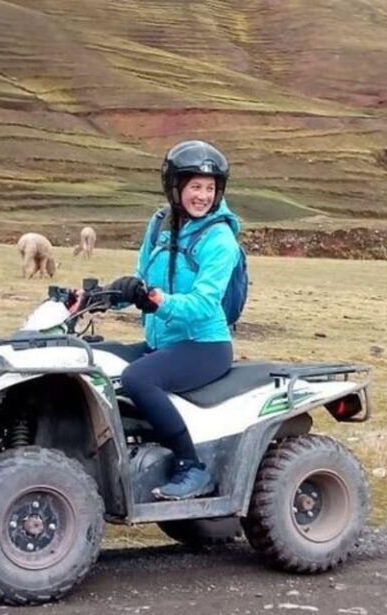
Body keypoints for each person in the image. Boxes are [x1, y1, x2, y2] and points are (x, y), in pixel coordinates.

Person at [107, 140, 242, 500]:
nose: (203, 196)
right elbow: (142, 279)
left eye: (210, 188)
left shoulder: (220, 239)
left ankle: (190, 465)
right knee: (97, 361)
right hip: (163, 341)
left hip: (204, 346)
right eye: (195, 186)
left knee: (138, 377)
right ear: (175, 187)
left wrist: (158, 302)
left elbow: (203, 303)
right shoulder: (159, 225)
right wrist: (106, 296)